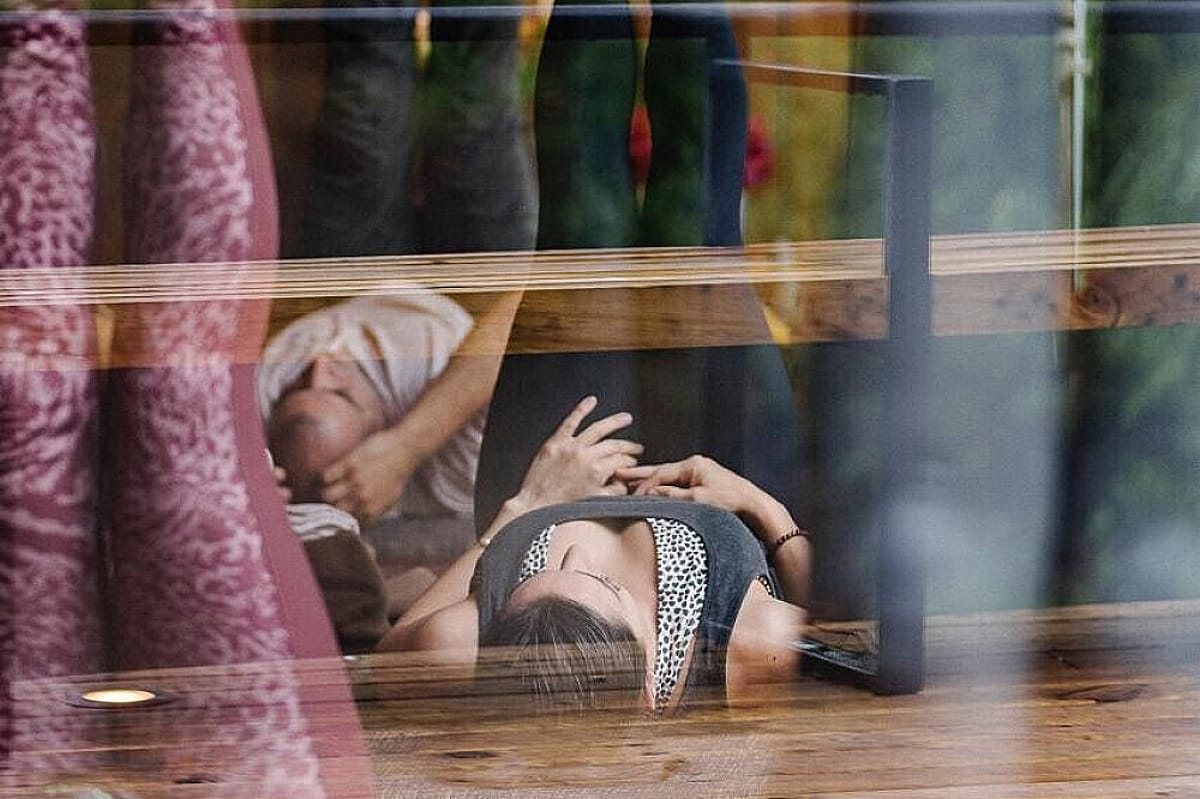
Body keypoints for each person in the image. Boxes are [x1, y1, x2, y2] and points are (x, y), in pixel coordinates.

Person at [376, 396, 810, 712]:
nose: (577, 554)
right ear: (647, 684)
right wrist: (764, 508)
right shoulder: (757, 644)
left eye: (529, 581)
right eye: (605, 582)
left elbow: (383, 666)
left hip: (560, 471)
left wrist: (525, 505)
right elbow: (861, 640)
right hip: (722, 478)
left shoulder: (462, 648)